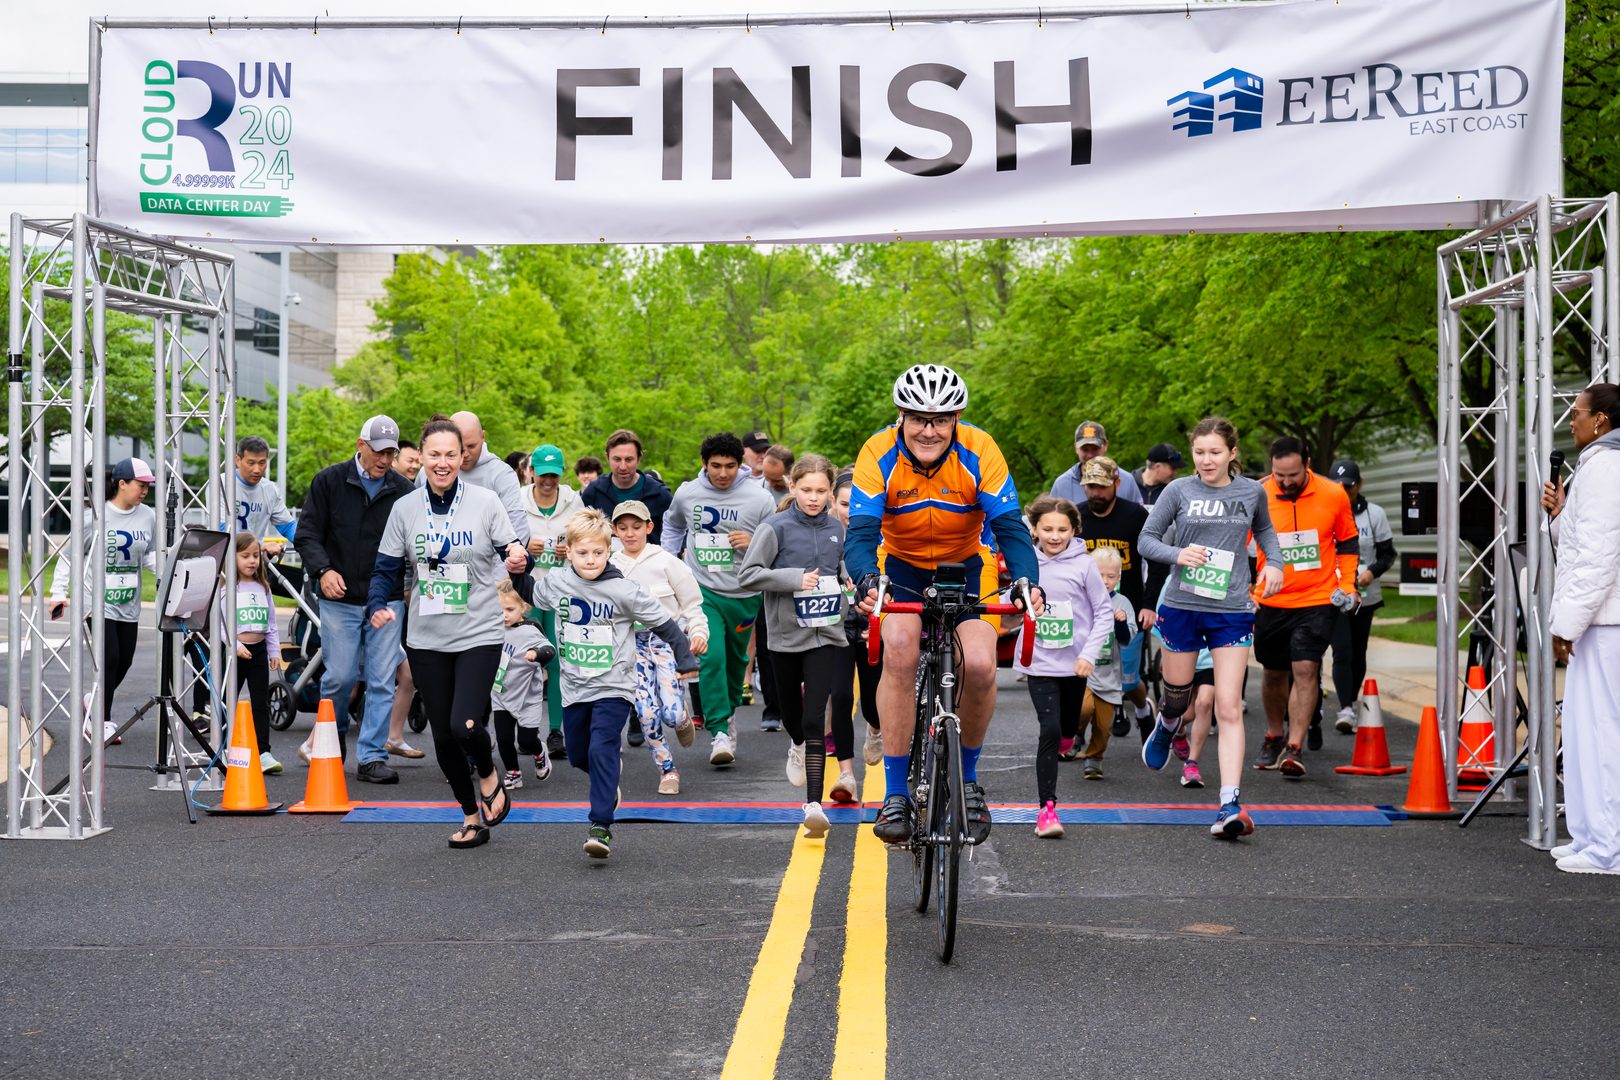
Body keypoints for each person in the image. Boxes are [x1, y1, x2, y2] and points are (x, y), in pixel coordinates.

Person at [848, 363, 1042, 846]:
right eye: (918, 418)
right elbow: (861, 533)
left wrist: (1025, 581)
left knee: (979, 666)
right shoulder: (878, 451)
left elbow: (1012, 527)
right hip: (901, 566)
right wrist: (868, 580)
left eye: (941, 419)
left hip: (965, 566)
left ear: (956, 418)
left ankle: (969, 781)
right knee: (899, 651)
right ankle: (895, 794)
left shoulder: (980, 449)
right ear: (901, 415)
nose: (929, 430)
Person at [367, 416, 529, 848]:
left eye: (451, 455)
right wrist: (377, 605)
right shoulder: (405, 509)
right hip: (426, 637)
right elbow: (385, 569)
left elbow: (510, 550)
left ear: (464, 457)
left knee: (465, 724)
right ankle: (471, 816)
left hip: (479, 631)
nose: (442, 463)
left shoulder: (485, 501)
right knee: (442, 737)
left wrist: (516, 557)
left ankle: (490, 771)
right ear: (421, 458)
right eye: (434, 455)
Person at [522, 509, 700, 859]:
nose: (591, 560)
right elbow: (530, 591)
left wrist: (685, 656)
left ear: (609, 551)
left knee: (603, 746)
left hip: (614, 685)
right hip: (574, 686)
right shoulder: (557, 581)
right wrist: (517, 567)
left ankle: (600, 826)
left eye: (598, 553)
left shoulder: (625, 590)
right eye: (583, 553)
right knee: (577, 755)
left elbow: (665, 623)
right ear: (569, 551)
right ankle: (607, 782)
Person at [1137, 416, 1284, 839]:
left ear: (1232, 453)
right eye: (1200, 452)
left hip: (1232, 609)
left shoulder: (1251, 491)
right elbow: (1147, 539)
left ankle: (1230, 805)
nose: (1206, 460)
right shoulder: (1178, 490)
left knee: (1228, 707)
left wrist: (1273, 563)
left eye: (1215, 452)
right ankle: (1166, 724)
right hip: (1182, 605)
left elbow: (1265, 532)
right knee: (1178, 697)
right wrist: (1178, 554)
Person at [293, 415, 414, 782]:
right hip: (339, 598)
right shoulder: (328, 481)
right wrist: (323, 570)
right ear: (361, 445)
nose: (385, 459)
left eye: (391, 452)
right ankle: (333, 742)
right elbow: (307, 534)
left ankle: (372, 757)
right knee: (340, 677)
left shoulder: (405, 490)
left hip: (386, 598)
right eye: (379, 451)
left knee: (380, 680)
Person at [739, 454, 853, 836]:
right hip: (785, 637)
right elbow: (748, 575)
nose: (814, 498)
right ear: (792, 487)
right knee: (793, 718)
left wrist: (848, 584)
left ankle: (814, 805)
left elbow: (838, 570)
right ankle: (797, 745)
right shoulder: (775, 528)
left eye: (822, 491)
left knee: (813, 716)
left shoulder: (837, 527)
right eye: (807, 490)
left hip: (826, 634)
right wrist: (794, 579)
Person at [661, 432, 779, 767]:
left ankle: (726, 717)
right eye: (716, 466)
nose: (723, 473)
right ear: (704, 464)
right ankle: (718, 732)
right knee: (711, 656)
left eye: (729, 466)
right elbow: (672, 526)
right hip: (702, 590)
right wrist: (668, 564)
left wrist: (753, 541)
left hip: (744, 591)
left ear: (740, 464)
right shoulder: (688, 493)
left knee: (734, 661)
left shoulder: (759, 498)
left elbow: (776, 542)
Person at [1542, 383, 1620, 874]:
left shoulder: (1607, 470)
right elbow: (1575, 543)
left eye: (1577, 413)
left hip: (1606, 624)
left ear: (1602, 422)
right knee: (1583, 730)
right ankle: (1591, 835)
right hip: (1599, 622)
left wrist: (1566, 624)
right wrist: (1560, 511)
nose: (1570, 422)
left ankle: (1607, 848)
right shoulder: (1594, 470)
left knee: (1603, 733)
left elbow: (1597, 559)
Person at [1250, 438, 1360, 777]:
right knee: (1273, 672)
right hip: (1271, 598)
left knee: (1306, 669)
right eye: (1279, 474)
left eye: (1293, 475)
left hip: (1317, 599)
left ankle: (1294, 748)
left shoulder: (1333, 493)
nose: (1285, 482)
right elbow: (1242, 547)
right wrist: (1247, 590)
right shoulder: (1257, 493)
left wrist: (1347, 584)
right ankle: (1273, 735)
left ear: (1308, 464)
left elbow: (1348, 541)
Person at [1015, 495, 1113, 840]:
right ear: (1035, 529)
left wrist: (1088, 654)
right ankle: (1047, 809)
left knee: (1068, 728)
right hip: (1039, 661)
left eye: (1062, 529)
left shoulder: (1084, 565)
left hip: (1075, 665)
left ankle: (1070, 736)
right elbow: (1006, 602)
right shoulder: (1025, 562)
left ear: (1074, 529)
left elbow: (1103, 613)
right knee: (1050, 729)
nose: (1055, 536)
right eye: (1047, 529)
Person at [50, 457, 158, 745]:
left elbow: (148, 553)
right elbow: (69, 556)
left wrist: (171, 572)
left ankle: (93, 699)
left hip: (129, 601)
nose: (145, 491)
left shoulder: (148, 516)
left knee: (125, 660)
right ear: (121, 484)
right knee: (109, 658)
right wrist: (59, 592)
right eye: (141, 485)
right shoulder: (94, 517)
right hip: (94, 599)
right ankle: (101, 721)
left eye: (148, 486)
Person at [610, 499, 709, 795]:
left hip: (667, 642)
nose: (630, 533)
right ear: (614, 530)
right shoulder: (609, 564)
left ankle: (682, 717)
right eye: (623, 528)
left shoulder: (667, 561)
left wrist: (699, 632)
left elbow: (693, 605)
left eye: (637, 527)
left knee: (671, 713)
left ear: (649, 527)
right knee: (647, 713)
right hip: (630, 647)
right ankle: (668, 770)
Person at [1077, 454, 1167, 739]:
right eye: (1091, 486)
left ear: (1116, 483)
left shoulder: (1135, 516)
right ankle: (1079, 730)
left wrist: (1150, 605)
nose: (1097, 492)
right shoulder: (1077, 518)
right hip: (1086, 612)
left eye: (1102, 486)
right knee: (1084, 675)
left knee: (1127, 682)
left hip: (1127, 609)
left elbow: (1157, 562)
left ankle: (1142, 710)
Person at [523, 443, 585, 759]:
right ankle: (526, 729)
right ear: (531, 471)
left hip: (561, 589)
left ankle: (557, 731)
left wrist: (570, 551)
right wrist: (523, 546)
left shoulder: (574, 502)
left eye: (554, 475)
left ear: (561, 474)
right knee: (525, 660)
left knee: (559, 660)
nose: (548, 481)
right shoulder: (518, 500)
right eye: (542, 474)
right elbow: (499, 540)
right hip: (525, 590)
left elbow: (588, 540)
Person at [1327, 459, 1395, 733]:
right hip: (1334, 593)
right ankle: (1345, 709)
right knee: (1341, 650)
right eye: (1339, 486)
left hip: (1365, 594)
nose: (1344, 491)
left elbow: (1388, 554)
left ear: (1359, 484)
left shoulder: (1374, 514)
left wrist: (1373, 572)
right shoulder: (1324, 511)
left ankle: (1350, 701)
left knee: (1358, 652)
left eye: (1350, 486)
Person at [829, 469, 883, 770]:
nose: (852, 512)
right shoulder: (823, 534)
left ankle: (875, 730)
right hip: (835, 623)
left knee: (873, 702)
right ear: (833, 502)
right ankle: (845, 773)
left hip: (872, 622)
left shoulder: (882, 532)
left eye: (859, 504)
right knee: (839, 695)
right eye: (846, 504)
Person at [414, 411, 530, 548]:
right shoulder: (429, 473)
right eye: (460, 448)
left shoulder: (501, 475)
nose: (466, 454)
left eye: (472, 446)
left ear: (483, 437)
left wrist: (503, 568)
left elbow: (517, 528)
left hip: (487, 565)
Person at [1069, 546, 1135, 783]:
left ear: (1118, 577)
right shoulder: (1080, 600)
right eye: (1099, 575)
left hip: (1110, 676)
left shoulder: (1123, 604)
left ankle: (1094, 758)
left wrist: (1120, 624)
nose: (1105, 581)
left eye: (1111, 576)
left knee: (1103, 728)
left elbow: (1126, 641)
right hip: (1082, 674)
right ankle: (1075, 733)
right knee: (1083, 709)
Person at [219, 533, 283, 772]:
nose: (252, 561)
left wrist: (273, 650)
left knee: (260, 703)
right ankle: (224, 748)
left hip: (258, 653)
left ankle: (263, 752)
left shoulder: (263, 587)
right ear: (232, 558)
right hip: (234, 654)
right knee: (228, 702)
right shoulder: (227, 589)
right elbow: (220, 626)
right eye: (245, 556)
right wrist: (236, 646)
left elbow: (272, 623)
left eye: (255, 555)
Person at [382, 438, 426, 760]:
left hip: (402, 596)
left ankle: (394, 736)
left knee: (409, 673)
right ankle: (317, 742)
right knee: (350, 679)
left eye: (417, 461)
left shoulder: (414, 494)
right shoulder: (392, 496)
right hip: (373, 596)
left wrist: (410, 586)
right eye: (409, 460)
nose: (414, 465)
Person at [491, 579, 555, 788]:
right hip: (501, 694)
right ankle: (513, 773)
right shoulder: (492, 628)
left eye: (510, 609)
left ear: (524, 607)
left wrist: (536, 653)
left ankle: (540, 753)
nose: (504, 615)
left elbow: (549, 649)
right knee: (504, 738)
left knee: (526, 741)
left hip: (527, 696)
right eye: (499, 609)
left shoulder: (530, 631)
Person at [581, 429, 674, 548]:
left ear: (639, 458)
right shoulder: (593, 492)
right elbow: (582, 536)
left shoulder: (660, 494)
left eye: (629, 459)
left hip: (649, 565)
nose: (623, 466)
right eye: (617, 459)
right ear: (607, 458)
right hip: (605, 565)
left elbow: (676, 531)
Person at [218, 436, 296, 555]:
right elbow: (222, 528)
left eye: (262, 463)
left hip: (253, 561)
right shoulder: (221, 483)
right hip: (225, 561)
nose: (257, 470)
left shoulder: (270, 489)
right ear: (238, 460)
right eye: (251, 463)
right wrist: (260, 544)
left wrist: (312, 544)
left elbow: (288, 526)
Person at [1051, 420, 1144, 506]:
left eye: (1095, 449)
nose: (1090, 455)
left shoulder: (1126, 480)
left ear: (1105, 445)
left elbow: (1140, 518)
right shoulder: (1062, 484)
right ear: (1076, 448)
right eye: (1085, 449)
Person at [1132, 442, 1183, 508]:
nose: (1176, 472)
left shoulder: (1175, 490)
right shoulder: (1128, 485)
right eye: (1172, 468)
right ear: (1157, 467)